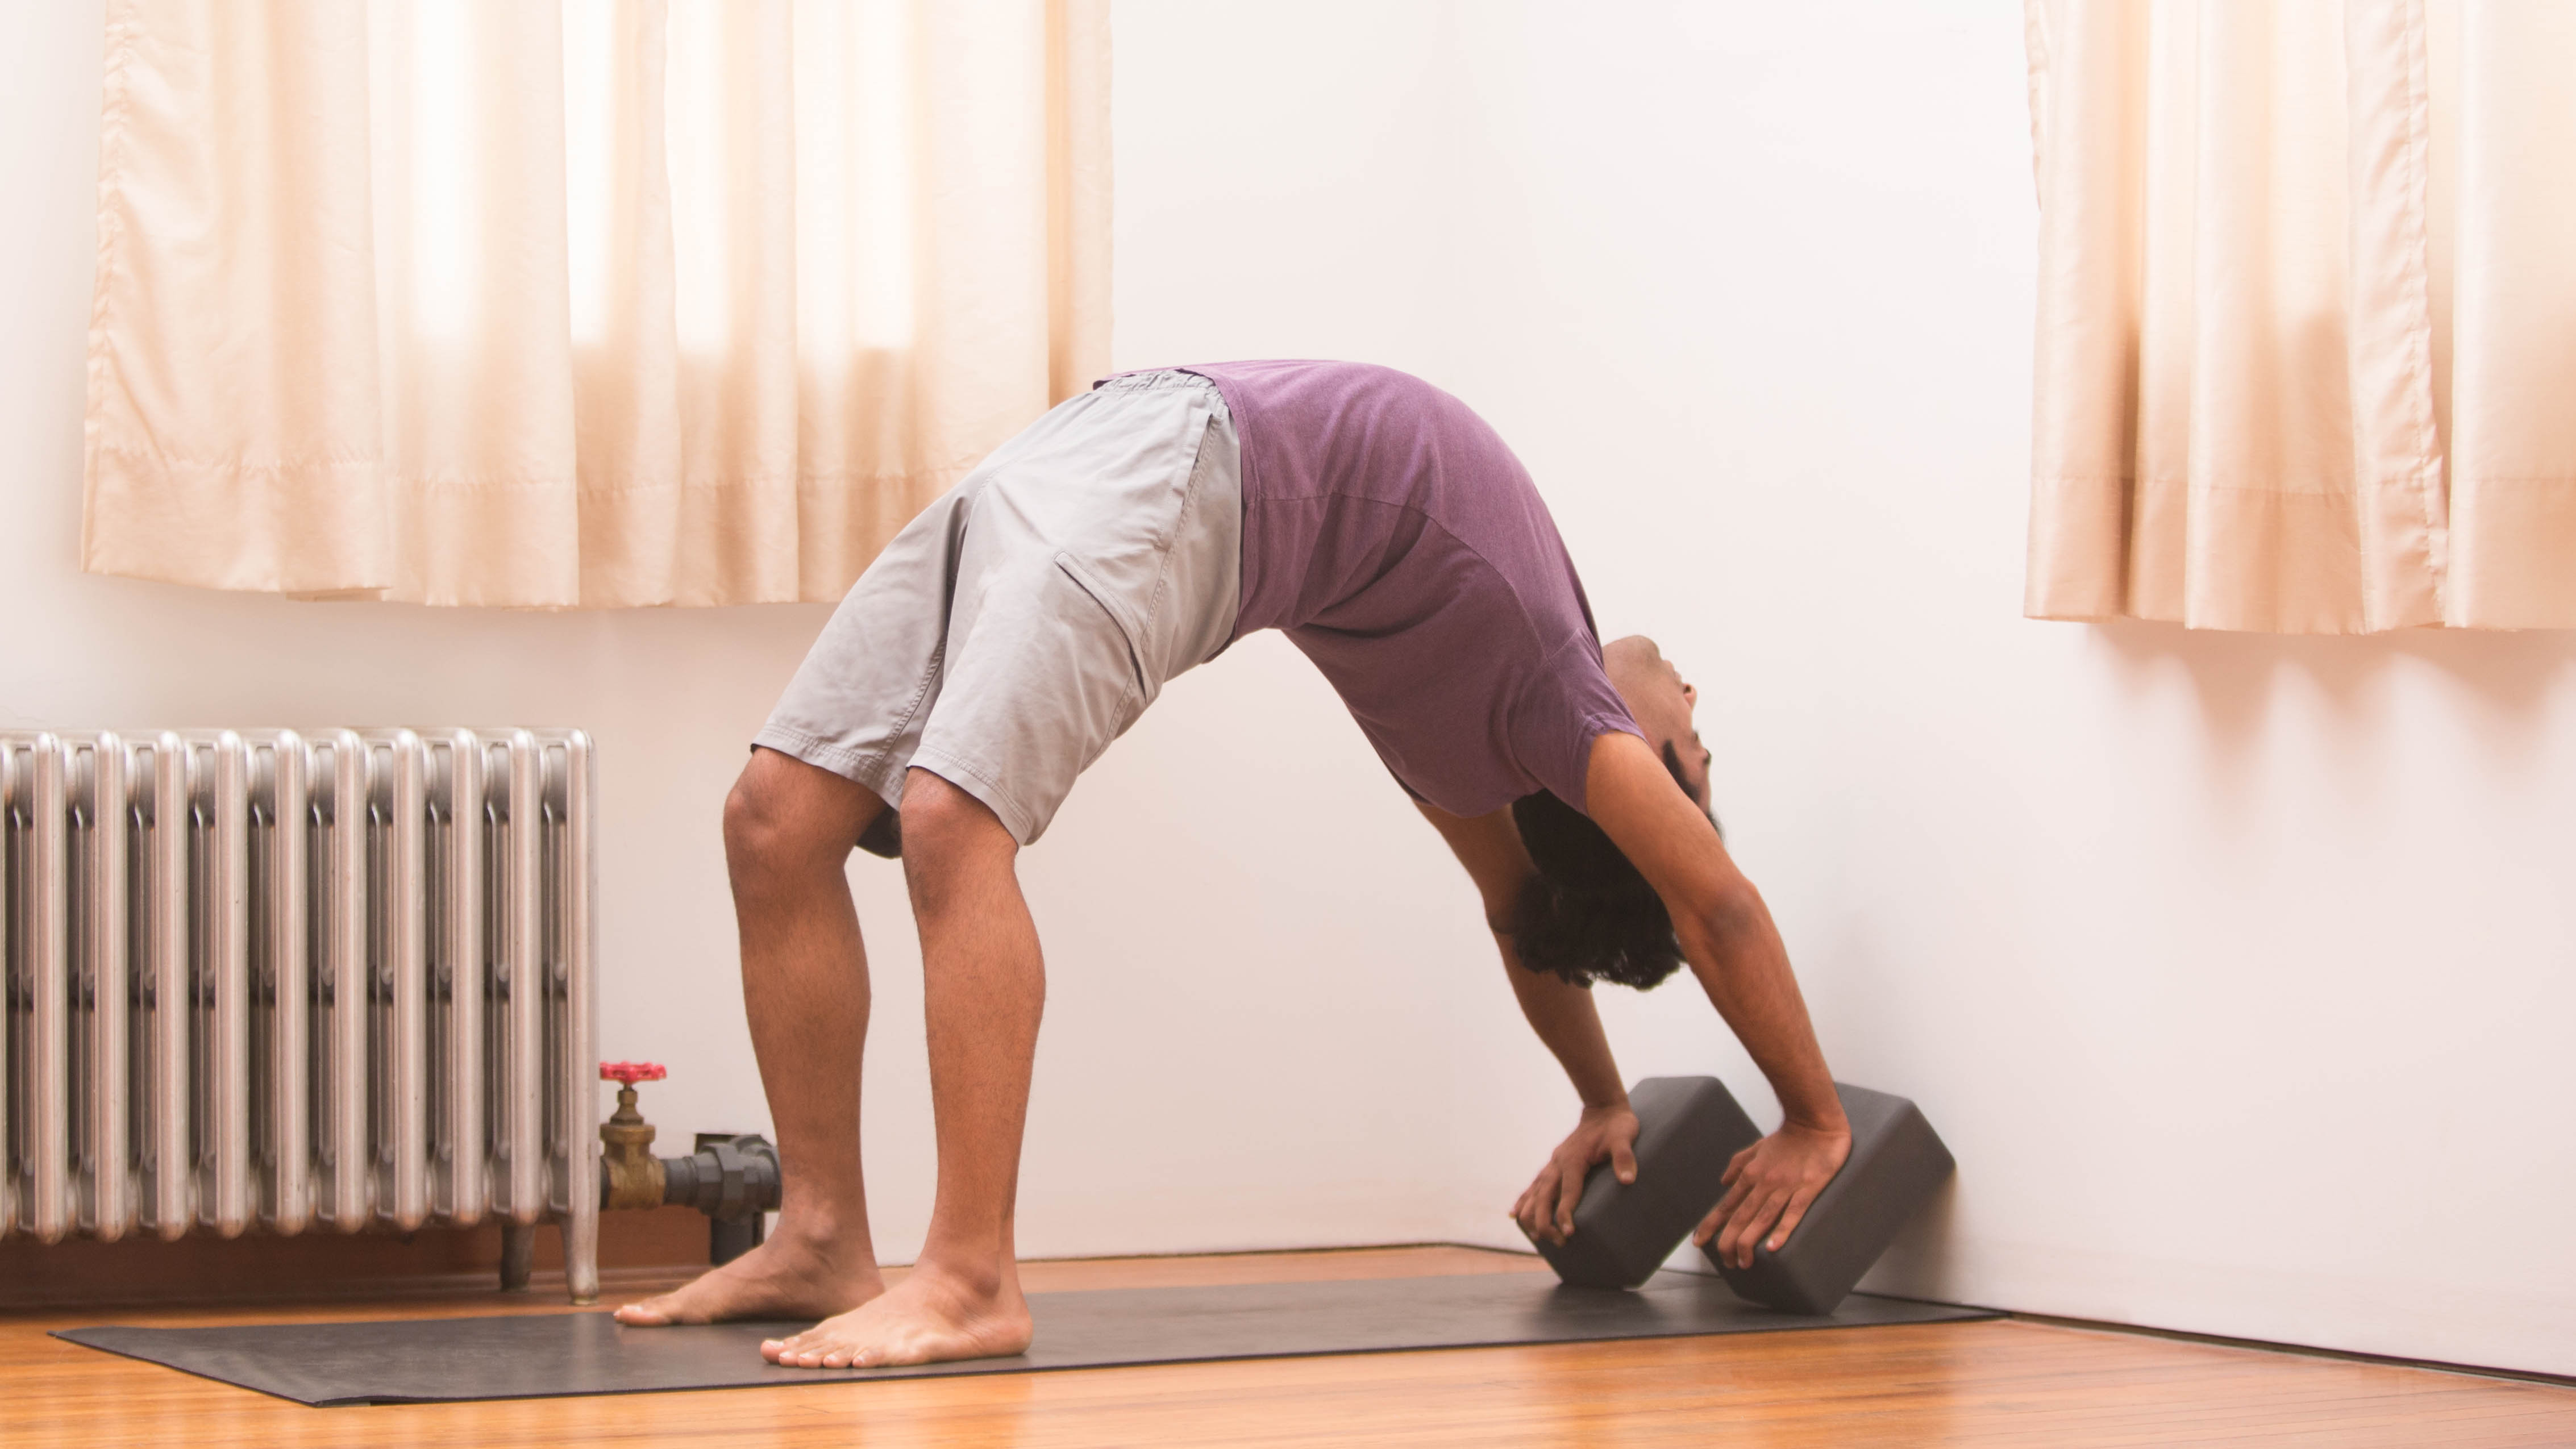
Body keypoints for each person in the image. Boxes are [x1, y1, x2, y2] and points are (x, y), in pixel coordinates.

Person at [614, 362, 1853, 1368]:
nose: (1690, 698)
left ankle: (970, 1276)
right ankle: (823, 1233)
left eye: (1691, 748)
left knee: (950, 818)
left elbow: (1717, 905)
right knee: (773, 816)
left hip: (1184, 478)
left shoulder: (1558, 697)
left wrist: (1810, 1117)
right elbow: (1515, 914)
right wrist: (1598, 1099)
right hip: (1098, 439)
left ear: (1646, 785)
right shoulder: (1469, 749)